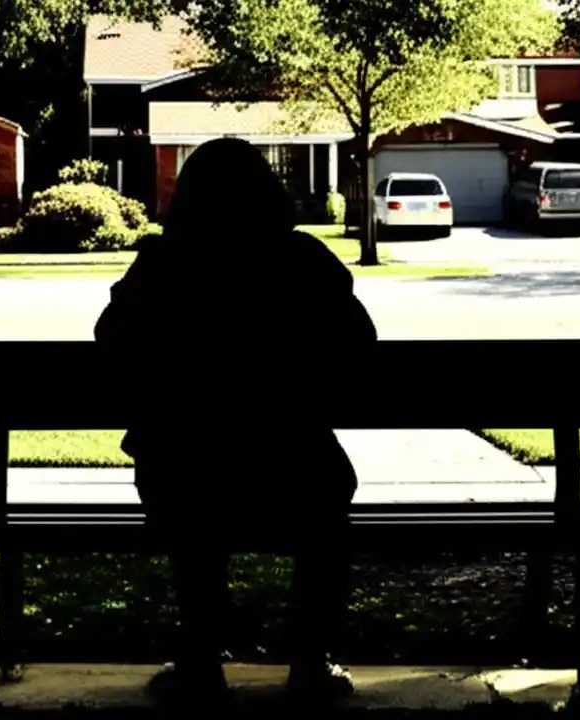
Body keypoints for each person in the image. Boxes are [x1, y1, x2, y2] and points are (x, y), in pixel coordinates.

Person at [93, 137, 377, 705]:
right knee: (324, 489)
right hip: (293, 474)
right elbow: (360, 347)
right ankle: (310, 661)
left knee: (186, 484)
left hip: (186, 477)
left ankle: (200, 661)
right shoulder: (302, 261)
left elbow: (110, 342)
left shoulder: (161, 266)